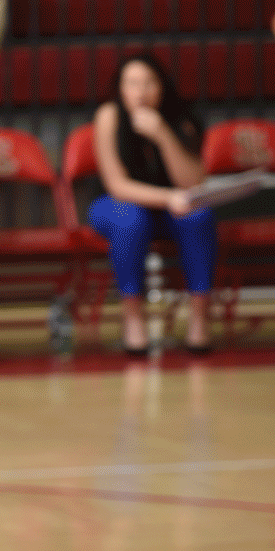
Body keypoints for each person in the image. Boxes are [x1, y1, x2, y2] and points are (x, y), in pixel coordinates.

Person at [87, 54, 211, 355]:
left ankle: (199, 318)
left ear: (162, 86)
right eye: (132, 83)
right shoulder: (108, 116)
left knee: (200, 215)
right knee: (130, 218)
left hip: (174, 208)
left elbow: (193, 183)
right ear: (120, 88)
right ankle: (133, 318)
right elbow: (117, 185)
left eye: (148, 82)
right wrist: (169, 198)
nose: (140, 92)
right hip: (118, 206)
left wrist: (163, 135)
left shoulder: (180, 118)